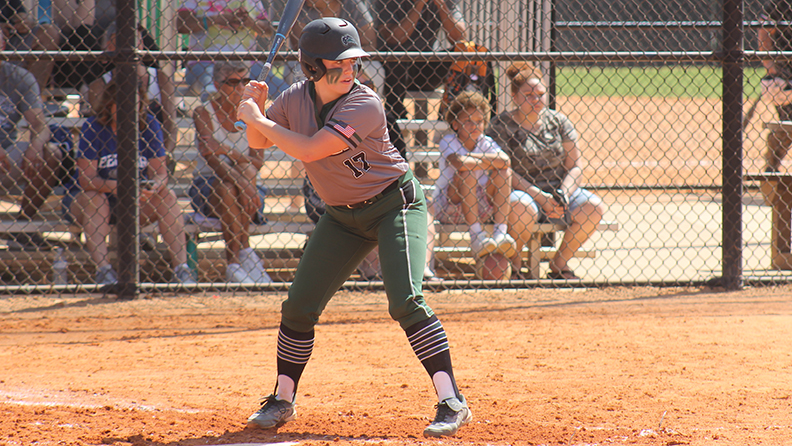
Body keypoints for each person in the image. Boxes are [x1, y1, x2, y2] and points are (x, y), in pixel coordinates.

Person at [237, 18, 471, 437]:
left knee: (405, 301)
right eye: (340, 62)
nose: (350, 69)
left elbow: (308, 148)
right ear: (311, 67)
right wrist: (261, 108)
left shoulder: (365, 104)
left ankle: (452, 399)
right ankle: (282, 399)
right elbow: (258, 144)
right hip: (342, 216)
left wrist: (259, 118)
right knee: (298, 306)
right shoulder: (294, 98)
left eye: (355, 61)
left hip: (393, 205)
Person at [63, 81, 196, 285]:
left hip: (135, 199)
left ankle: (182, 270)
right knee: (95, 199)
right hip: (90, 199)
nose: (131, 111)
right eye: (124, 105)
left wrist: (153, 187)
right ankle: (104, 271)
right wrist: (120, 187)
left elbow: (160, 173)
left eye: (137, 105)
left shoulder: (148, 124)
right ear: (110, 105)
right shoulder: (94, 126)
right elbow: (86, 179)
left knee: (167, 196)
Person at [486, 64, 605, 280]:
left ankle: (559, 265)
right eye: (529, 95)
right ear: (514, 96)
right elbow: (503, 171)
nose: (536, 99)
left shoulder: (558, 121)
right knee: (520, 207)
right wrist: (540, 197)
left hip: (558, 193)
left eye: (540, 94)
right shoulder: (500, 125)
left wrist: (564, 194)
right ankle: (516, 264)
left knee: (593, 207)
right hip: (522, 193)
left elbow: (575, 165)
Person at [188, 60, 271, 284]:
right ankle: (244, 252)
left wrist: (226, 150)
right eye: (233, 82)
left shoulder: (253, 112)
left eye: (245, 81)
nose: (241, 87)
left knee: (243, 171)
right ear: (216, 84)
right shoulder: (202, 112)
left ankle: (234, 264)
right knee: (228, 184)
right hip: (208, 186)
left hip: (248, 187)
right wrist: (244, 183)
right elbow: (213, 162)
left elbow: (256, 162)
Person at [0, 28, 69, 248]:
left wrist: (35, 145)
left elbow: (40, 124)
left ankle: (23, 227)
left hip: (6, 157)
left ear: (3, 45)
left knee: (51, 154)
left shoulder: (17, 76)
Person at [433, 90, 516, 262]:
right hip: (451, 204)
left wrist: (472, 159)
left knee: (504, 173)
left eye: (479, 121)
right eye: (468, 121)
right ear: (455, 124)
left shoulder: (485, 142)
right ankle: (476, 235)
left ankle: (500, 232)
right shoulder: (448, 140)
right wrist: (488, 161)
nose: (474, 126)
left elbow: (505, 162)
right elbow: (460, 164)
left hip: (480, 204)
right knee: (467, 173)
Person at [86, 23, 178, 155]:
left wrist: (164, 155)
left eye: (138, 40)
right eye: (126, 40)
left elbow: (171, 124)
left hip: (154, 150)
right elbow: (99, 127)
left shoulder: (160, 78)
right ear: (110, 46)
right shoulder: (99, 85)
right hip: (113, 151)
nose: (134, 46)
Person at [375, 0, 466, 119]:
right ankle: (396, 115)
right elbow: (394, 38)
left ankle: (451, 113)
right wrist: (419, 5)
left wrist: (442, 6)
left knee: (464, 50)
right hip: (396, 71)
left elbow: (460, 38)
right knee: (397, 54)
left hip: (428, 66)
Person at [177, 0, 272, 100]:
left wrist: (251, 22)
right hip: (205, 61)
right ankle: (210, 99)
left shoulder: (252, 1)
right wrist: (215, 19)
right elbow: (182, 26)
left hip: (247, 63)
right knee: (210, 88)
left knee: (281, 89)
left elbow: (268, 31)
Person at [759, 1, 792, 175]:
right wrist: (770, 67)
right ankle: (771, 168)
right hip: (787, 73)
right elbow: (764, 32)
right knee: (788, 125)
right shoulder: (781, 4)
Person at [0, 0, 60, 92]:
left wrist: (23, 20)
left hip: (9, 37)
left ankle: (32, 98)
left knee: (48, 33)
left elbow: (18, 11)